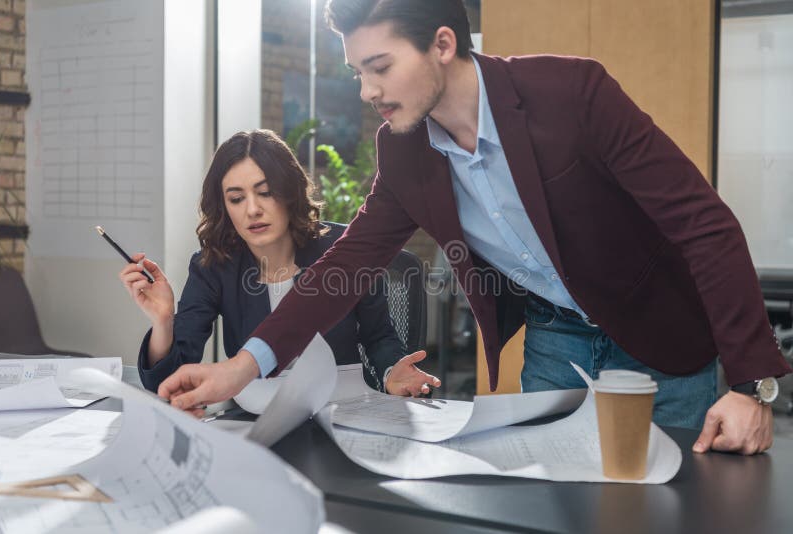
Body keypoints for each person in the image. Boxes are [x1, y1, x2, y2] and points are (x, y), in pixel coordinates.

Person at [158, 0, 790, 454]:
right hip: (555, 346)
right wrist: (240, 368)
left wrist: (749, 386)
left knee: (679, 510)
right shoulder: (404, 150)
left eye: (379, 66)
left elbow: (705, 226)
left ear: (441, 43)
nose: (366, 91)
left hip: (663, 338)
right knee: (554, 507)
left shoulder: (574, 94)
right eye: (357, 72)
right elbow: (344, 267)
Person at [119, 129, 439, 411]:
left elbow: (379, 337)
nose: (253, 210)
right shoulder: (213, 266)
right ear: (224, 206)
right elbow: (167, 384)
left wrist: (391, 371)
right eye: (236, 198)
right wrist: (163, 322)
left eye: (265, 192)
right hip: (255, 417)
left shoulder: (345, 252)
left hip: (343, 408)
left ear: (289, 191)